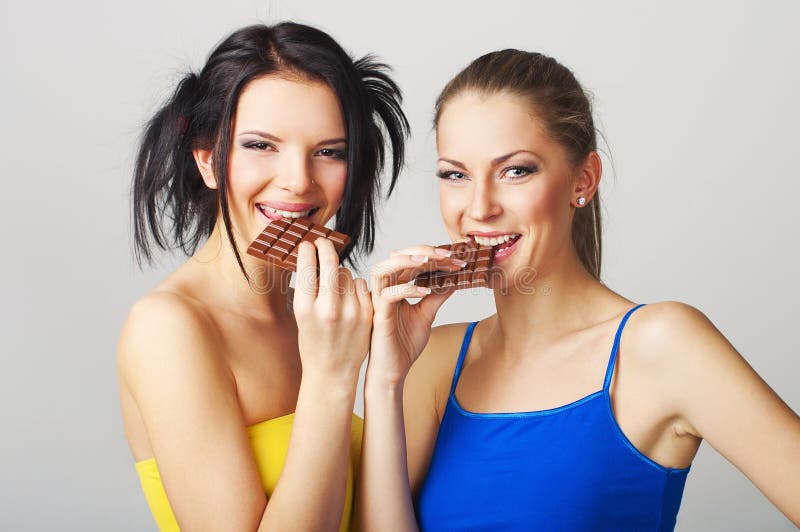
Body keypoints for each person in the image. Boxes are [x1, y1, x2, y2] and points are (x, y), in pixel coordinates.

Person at [359, 49, 800, 530]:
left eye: (516, 170)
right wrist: (383, 382)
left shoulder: (662, 345)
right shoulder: (433, 361)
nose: (479, 207)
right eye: (455, 174)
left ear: (582, 180)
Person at [117, 22, 407, 531]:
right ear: (208, 158)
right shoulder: (168, 328)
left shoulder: (321, 319)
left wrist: (385, 376)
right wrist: (331, 378)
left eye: (329, 151)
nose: (298, 180)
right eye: (261, 145)